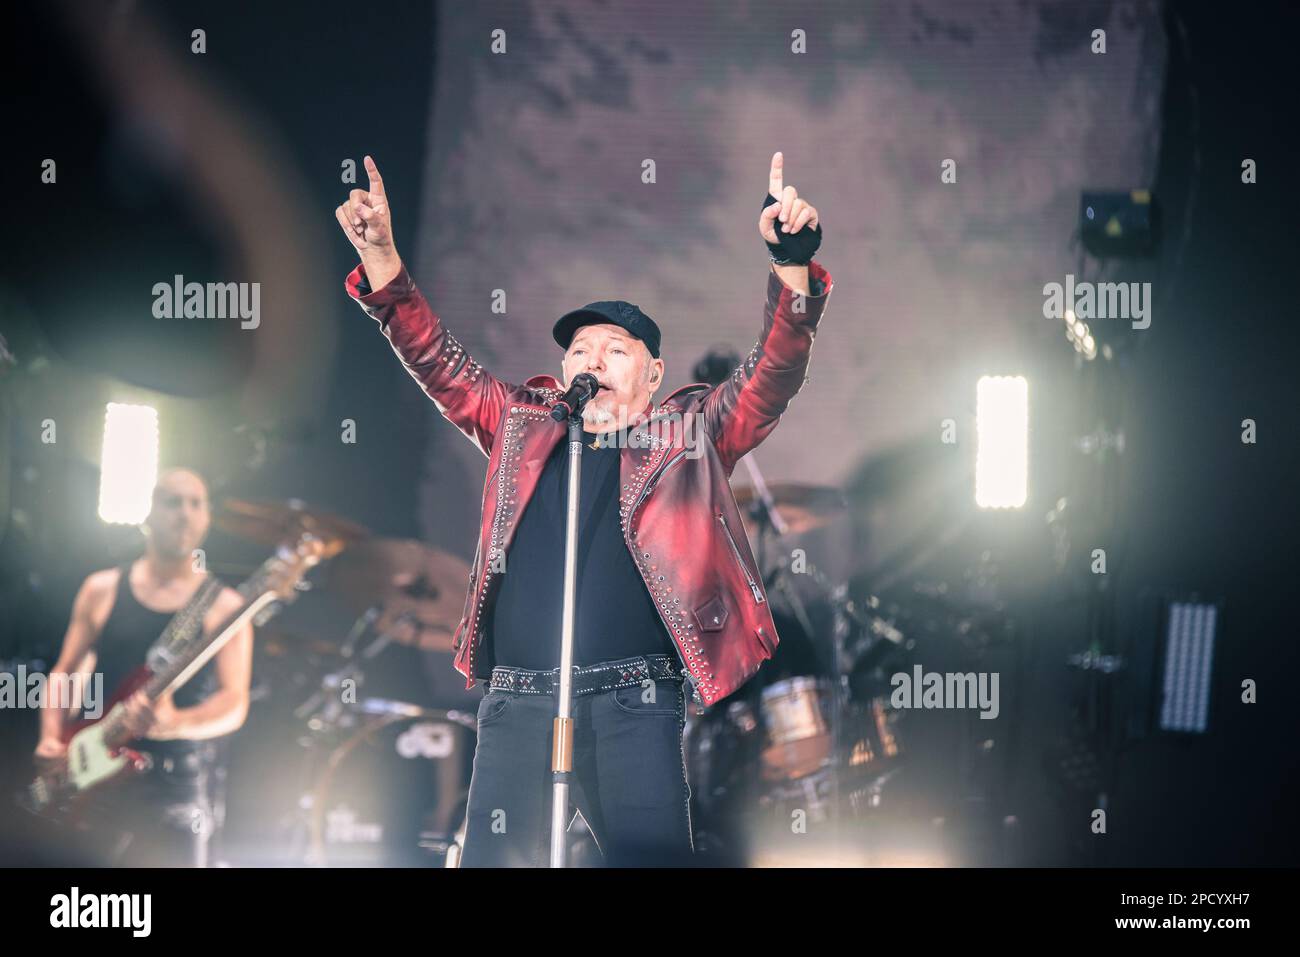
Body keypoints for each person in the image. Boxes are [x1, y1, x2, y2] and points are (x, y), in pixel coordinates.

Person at [337, 151, 833, 866]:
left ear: (654, 373)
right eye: (579, 349)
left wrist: (792, 270)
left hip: (634, 701)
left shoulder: (686, 434)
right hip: (517, 699)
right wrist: (383, 258)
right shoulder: (521, 425)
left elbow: (771, 376)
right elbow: (439, 362)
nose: (591, 359)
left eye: (615, 349)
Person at [34, 467, 254, 867]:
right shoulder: (101, 588)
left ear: (206, 518)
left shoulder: (226, 607)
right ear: (148, 512)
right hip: (93, 779)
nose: (184, 513)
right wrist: (51, 737)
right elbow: (65, 672)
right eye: (172, 502)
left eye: (196, 504)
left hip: (174, 789)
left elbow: (235, 703)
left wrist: (176, 723)